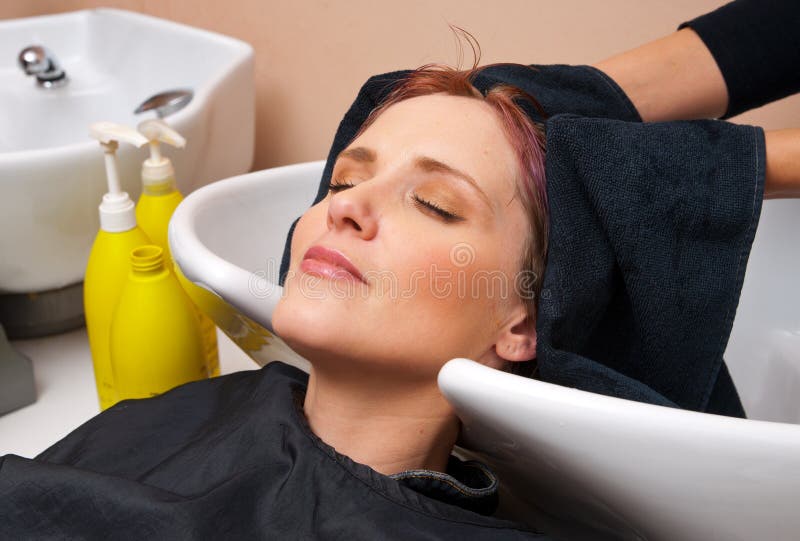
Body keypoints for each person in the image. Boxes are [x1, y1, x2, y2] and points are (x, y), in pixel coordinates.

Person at [2, 2, 798, 539]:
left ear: (522, 321)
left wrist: (707, 176)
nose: (344, 206)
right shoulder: (182, 416)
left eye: (437, 205)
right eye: (343, 181)